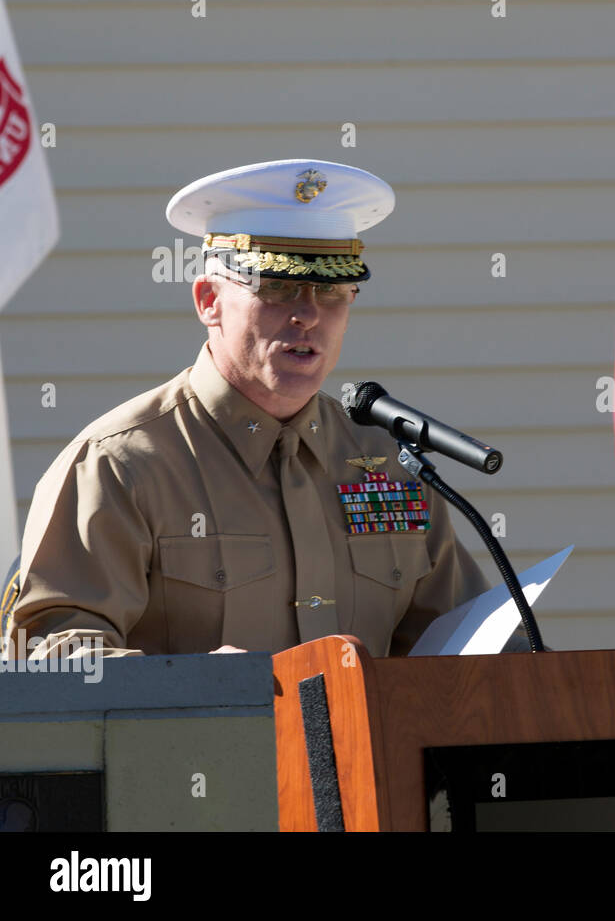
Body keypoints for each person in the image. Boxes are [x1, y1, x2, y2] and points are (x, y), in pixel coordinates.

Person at [2, 159, 490, 659]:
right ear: (209, 300)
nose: (308, 314)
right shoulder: (119, 465)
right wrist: (208, 691)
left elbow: (462, 644)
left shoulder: (385, 458)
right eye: (276, 288)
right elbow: (51, 655)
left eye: (332, 291)